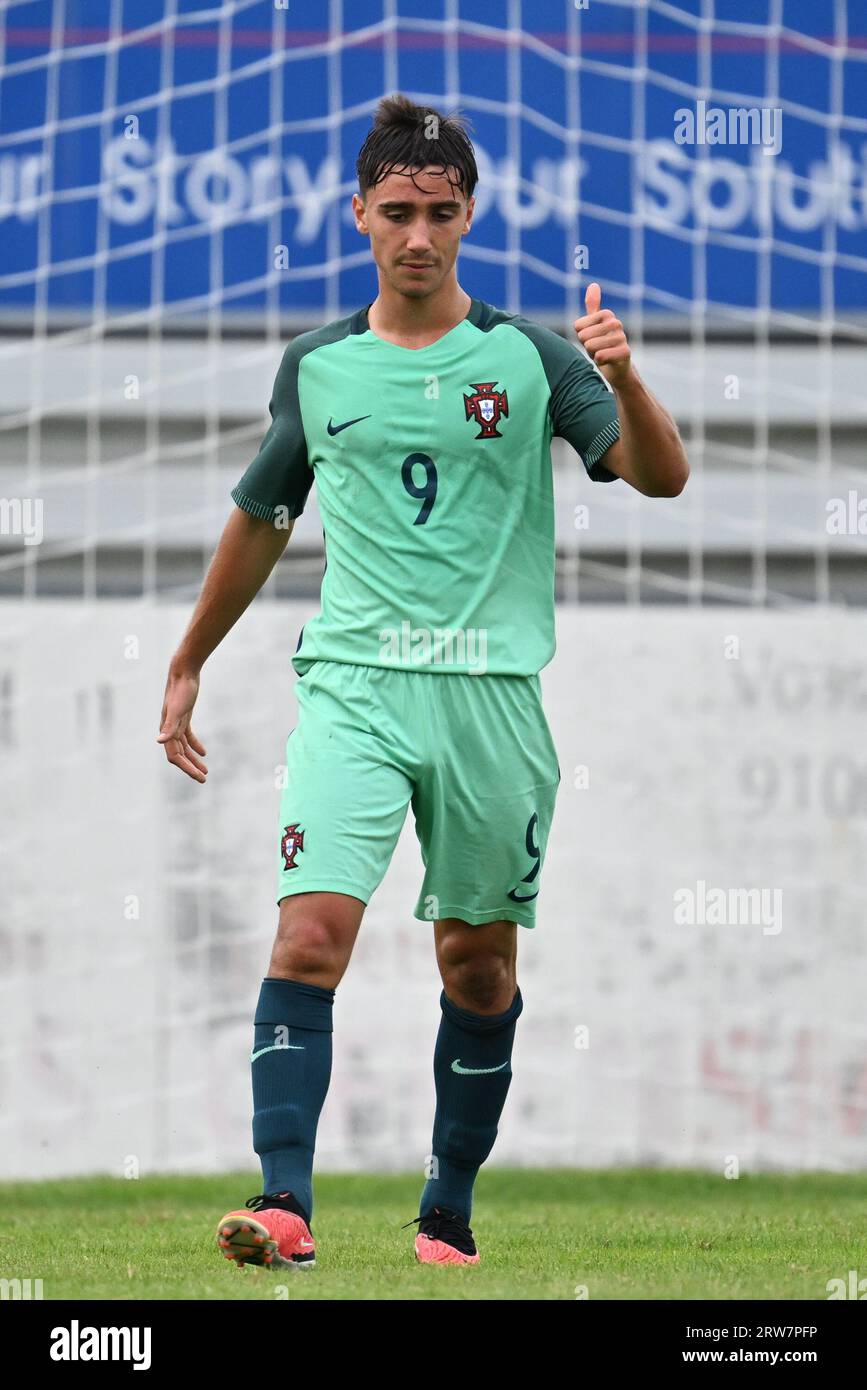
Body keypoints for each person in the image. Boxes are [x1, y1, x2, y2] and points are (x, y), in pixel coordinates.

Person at [157, 93, 688, 1270]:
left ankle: (445, 1211)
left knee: (478, 962)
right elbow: (261, 515)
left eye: (440, 213)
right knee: (308, 938)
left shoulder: (537, 358)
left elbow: (661, 480)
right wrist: (190, 658)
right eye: (396, 211)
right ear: (358, 215)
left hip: (492, 695)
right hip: (354, 687)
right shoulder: (319, 367)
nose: (417, 235)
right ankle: (285, 1204)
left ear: (468, 217)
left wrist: (631, 380)